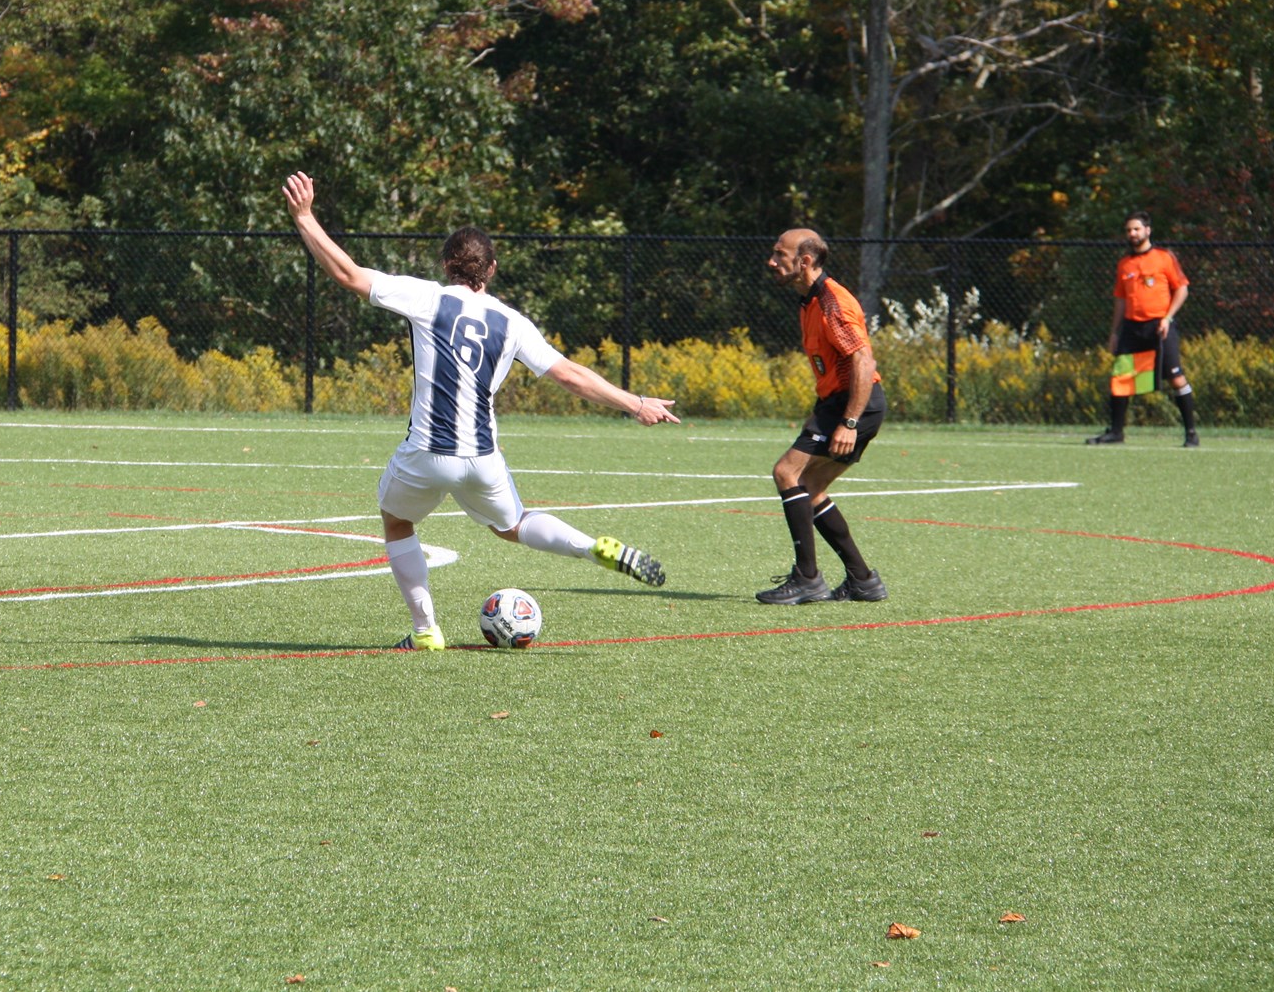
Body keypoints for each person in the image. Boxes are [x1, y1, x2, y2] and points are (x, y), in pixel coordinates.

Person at [283, 171, 678, 651]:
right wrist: (635, 403)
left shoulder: (427, 298)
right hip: (482, 457)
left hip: (426, 452)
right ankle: (592, 547)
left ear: (447, 265)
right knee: (513, 527)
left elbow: (347, 273)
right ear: (490, 269)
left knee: (397, 522)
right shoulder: (512, 323)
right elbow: (569, 374)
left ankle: (426, 630)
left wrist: (305, 217)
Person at [756, 228, 888, 605]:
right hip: (841, 404)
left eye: (780, 255)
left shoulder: (833, 301)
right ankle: (863, 580)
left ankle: (807, 578)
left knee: (787, 473)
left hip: (851, 405)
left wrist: (848, 422)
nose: (772, 261)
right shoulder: (809, 301)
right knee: (810, 489)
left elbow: (863, 360)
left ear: (806, 261)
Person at [1085, 211, 1198, 447]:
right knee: (1120, 378)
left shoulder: (1164, 257)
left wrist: (1167, 318)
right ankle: (1116, 433)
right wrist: (1115, 332)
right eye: (1128, 230)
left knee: (1176, 378)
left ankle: (1191, 433)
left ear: (1148, 230)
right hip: (1132, 328)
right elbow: (1120, 300)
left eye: (1136, 229)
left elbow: (1182, 289)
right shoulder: (1124, 264)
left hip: (1159, 327)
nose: (1132, 234)